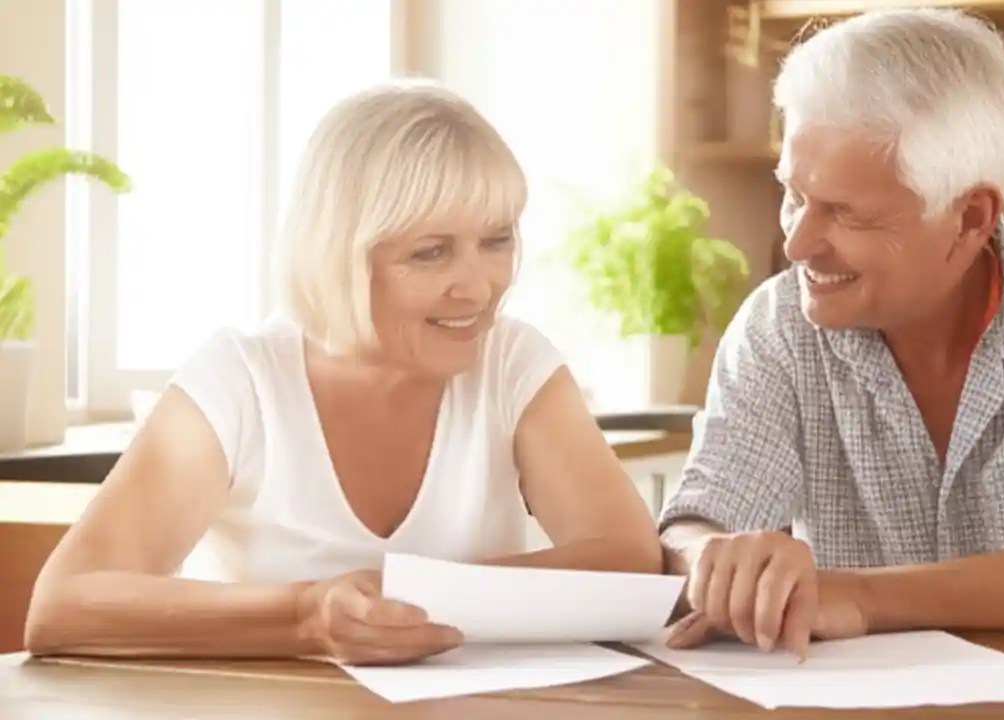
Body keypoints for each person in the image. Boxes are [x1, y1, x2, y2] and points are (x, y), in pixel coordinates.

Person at [25, 82, 662, 666]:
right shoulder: (239, 381)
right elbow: (63, 607)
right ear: (339, 254)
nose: (478, 286)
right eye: (430, 252)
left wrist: (428, 596)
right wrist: (306, 616)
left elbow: (629, 560)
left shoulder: (513, 363)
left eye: (496, 241)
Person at [658, 9, 1004, 658]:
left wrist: (865, 597)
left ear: (970, 217)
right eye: (791, 194)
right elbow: (689, 533)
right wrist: (713, 558)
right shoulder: (778, 326)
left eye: (844, 212)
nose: (796, 242)